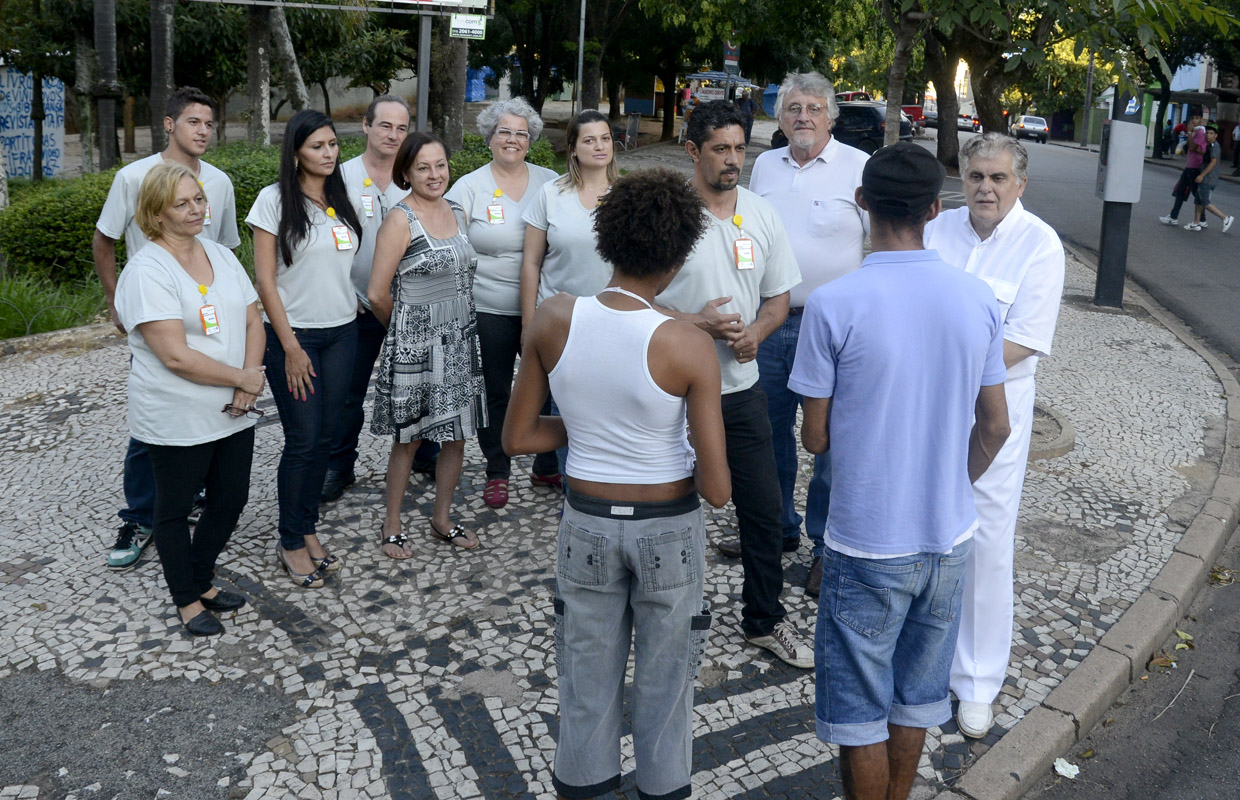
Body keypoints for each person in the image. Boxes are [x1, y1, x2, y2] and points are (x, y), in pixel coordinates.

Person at [790, 142, 1011, 800]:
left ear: (863, 203)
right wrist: (947, 481)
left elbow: (817, 436)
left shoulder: (833, 303)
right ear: (935, 210)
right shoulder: (976, 299)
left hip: (865, 541)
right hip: (949, 539)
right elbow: (996, 426)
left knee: (859, 715)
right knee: (916, 701)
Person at [502, 168, 730, 800]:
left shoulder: (552, 319)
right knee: (666, 683)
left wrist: (584, 424)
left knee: (584, 678)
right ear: (681, 254)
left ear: (605, 239)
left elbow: (518, 439)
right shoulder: (686, 344)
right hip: (668, 528)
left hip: (588, 522)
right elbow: (716, 488)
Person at [655, 100, 812, 669]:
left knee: (764, 510)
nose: (732, 160)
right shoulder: (665, 213)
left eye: (740, 148)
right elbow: (629, 300)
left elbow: (778, 298)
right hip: (667, 389)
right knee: (667, 505)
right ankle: (659, 615)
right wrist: (696, 324)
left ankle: (764, 620)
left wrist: (757, 335)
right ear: (692, 151)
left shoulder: (761, 214)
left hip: (739, 386)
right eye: (720, 149)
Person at [924, 132, 1065, 738]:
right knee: (926, 524)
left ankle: (977, 680)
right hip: (927, 402)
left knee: (984, 536)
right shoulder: (938, 231)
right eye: (976, 176)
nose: (984, 188)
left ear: (1020, 185)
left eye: (998, 179)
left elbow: (1025, 337)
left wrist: (946, 365)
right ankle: (925, 657)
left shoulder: (1041, 245)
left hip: (994, 409)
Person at [113, 161, 265, 636]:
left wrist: (247, 381)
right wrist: (240, 375)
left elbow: (252, 318)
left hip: (233, 406)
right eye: (182, 203)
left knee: (230, 499)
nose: (197, 209)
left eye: (198, 198)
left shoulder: (220, 254)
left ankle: (201, 578)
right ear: (157, 214)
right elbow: (175, 356)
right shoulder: (145, 271)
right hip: (177, 413)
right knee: (174, 509)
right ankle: (186, 598)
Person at [94, 86, 240, 572]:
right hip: (160, 317)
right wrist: (117, 300)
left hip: (210, 319)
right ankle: (140, 516)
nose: (203, 131)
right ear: (169, 125)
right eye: (194, 121)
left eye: (209, 123)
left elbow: (224, 251)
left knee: (211, 407)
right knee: (155, 422)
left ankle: (186, 495)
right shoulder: (133, 177)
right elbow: (104, 241)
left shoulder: (218, 182)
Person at [744, 70, 868, 597]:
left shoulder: (859, 168)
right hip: (770, 322)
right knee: (767, 434)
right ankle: (776, 530)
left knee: (829, 443)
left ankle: (824, 545)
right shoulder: (764, 167)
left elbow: (879, 244)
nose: (804, 117)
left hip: (834, 328)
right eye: (793, 107)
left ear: (831, 117)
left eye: (814, 108)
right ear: (780, 116)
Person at [247, 109, 364, 588]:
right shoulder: (273, 201)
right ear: (295, 151)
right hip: (295, 337)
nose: (329, 153)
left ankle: (308, 526)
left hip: (342, 332)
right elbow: (265, 280)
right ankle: (291, 540)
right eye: (318, 146)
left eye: (333, 144)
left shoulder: (339, 196)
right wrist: (291, 347)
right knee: (302, 438)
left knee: (326, 435)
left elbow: (342, 262)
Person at [367, 132, 487, 555]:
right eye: (423, 167)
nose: (434, 174)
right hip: (416, 346)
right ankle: (392, 522)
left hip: (457, 340)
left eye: (440, 165)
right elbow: (378, 293)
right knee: (410, 439)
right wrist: (406, 332)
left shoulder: (457, 210)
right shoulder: (400, 220)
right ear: (406, 173)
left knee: (456, 437)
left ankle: (442, 518)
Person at [322, 95, 438, 504]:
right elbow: (324, 242)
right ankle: (339, 464)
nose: (393, 134)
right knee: (348, 392)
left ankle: (427, 453)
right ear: (366, 127)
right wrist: (343, 293)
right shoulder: (340, 176)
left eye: (402, 128)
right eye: (385, 125)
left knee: (423, 384)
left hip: (414, 306)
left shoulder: (416, 174)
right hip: (359, 305)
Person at [446, 98, 560, 509]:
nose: (513, 140)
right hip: (488, 306)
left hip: (544, 306)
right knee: (495, 390)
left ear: (531, 140)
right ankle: (498, 469)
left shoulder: (551, 182)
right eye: (504, 132)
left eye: (521, 133)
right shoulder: (469, 187)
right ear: (490, 138)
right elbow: (455, 252)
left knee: (550, 385)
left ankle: (548, 462)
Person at [521, 108, 619, 479]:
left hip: (612, 319)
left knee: (606, 405)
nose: (599, 146)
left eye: (605, 138)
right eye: (589, 140)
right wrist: (530, 320)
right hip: (560, 318)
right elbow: (531, 262)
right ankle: (573, 486)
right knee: (566, 407)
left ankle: (601, 477)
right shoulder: (551, 194)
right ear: (573, 149)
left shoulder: (627, 194)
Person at [1185, 124, 1234, 233]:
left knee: (1205, 202)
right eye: (1207, 133)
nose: (1208, 135)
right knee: (1198, 201)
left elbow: (1213, 162)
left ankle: (1225, 218)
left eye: (1211, 133)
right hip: (1205, 178)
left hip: (1208, 179)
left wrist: (1202, 175)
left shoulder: (1214, 146)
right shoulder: (1209, 145)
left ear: (1216, 135)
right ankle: (1196, 223)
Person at [1160, 114, 1206, 226]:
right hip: (1190, 166)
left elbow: (1192, 147)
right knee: (1180, 191)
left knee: (1196, 194)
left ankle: (1204, 219)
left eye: (1196, 118)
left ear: (1201, 120)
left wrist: (1189, 133)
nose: (1194, 121)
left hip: (1194, 167)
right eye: (1192, 119)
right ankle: (1174, 216)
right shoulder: (1196, 131)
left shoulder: (1200, 132)